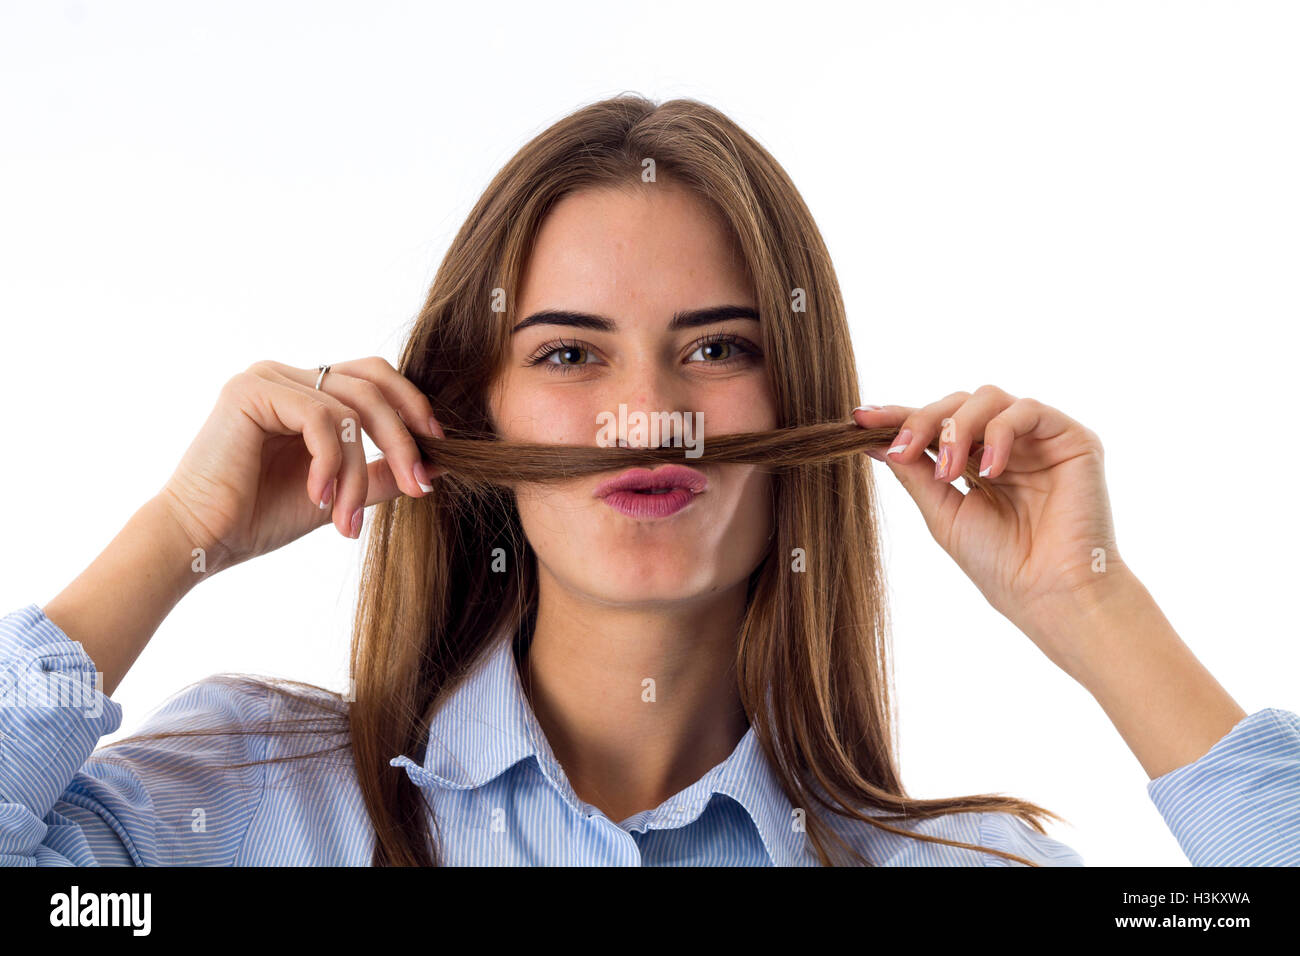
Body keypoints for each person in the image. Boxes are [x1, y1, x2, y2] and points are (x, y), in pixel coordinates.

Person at [2, 95, 1296, 866]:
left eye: (719, 347)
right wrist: (177, 535)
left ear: (803, 401)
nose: (649, 414)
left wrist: (1096, 611)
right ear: (468, 414)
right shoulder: (241, 802)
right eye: (570, 351)